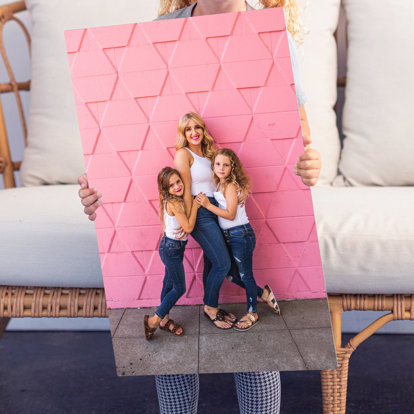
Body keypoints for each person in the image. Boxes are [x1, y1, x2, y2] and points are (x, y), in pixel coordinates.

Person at [78, 1, 322, 413]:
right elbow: (117, 134)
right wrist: (100, 197)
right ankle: (220, 303)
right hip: (189, 215)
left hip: (226, 211)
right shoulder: (157, 33)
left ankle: (233, 300)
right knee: (183, 313)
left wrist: (310, 164)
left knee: (255, 346)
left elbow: (300, 137)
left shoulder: (269, 31)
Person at [196, 148, 279, 331]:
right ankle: (263, 293)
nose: (221, 168)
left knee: (245, 275)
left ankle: (252, 312)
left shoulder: (231, 186)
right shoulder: (219, 185)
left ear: (232, 167)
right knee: (231, 274)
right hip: (229, 236)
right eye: (218, 164)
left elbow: (231, 214)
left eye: (226, 165)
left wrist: (208, 205)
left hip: (240, 234)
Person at [144, 167, 200, 339]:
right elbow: (189, 227)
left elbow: (182, 224)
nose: (177, 186)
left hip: (171, 246)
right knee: (179, 287)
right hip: (171, 249)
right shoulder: (174, 202)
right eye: (171, 185)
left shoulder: (172, 199)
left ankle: (164, 320)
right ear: (165, 189)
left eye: (178, 181)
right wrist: (196, 205)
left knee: (168, 285)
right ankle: (153, 320)